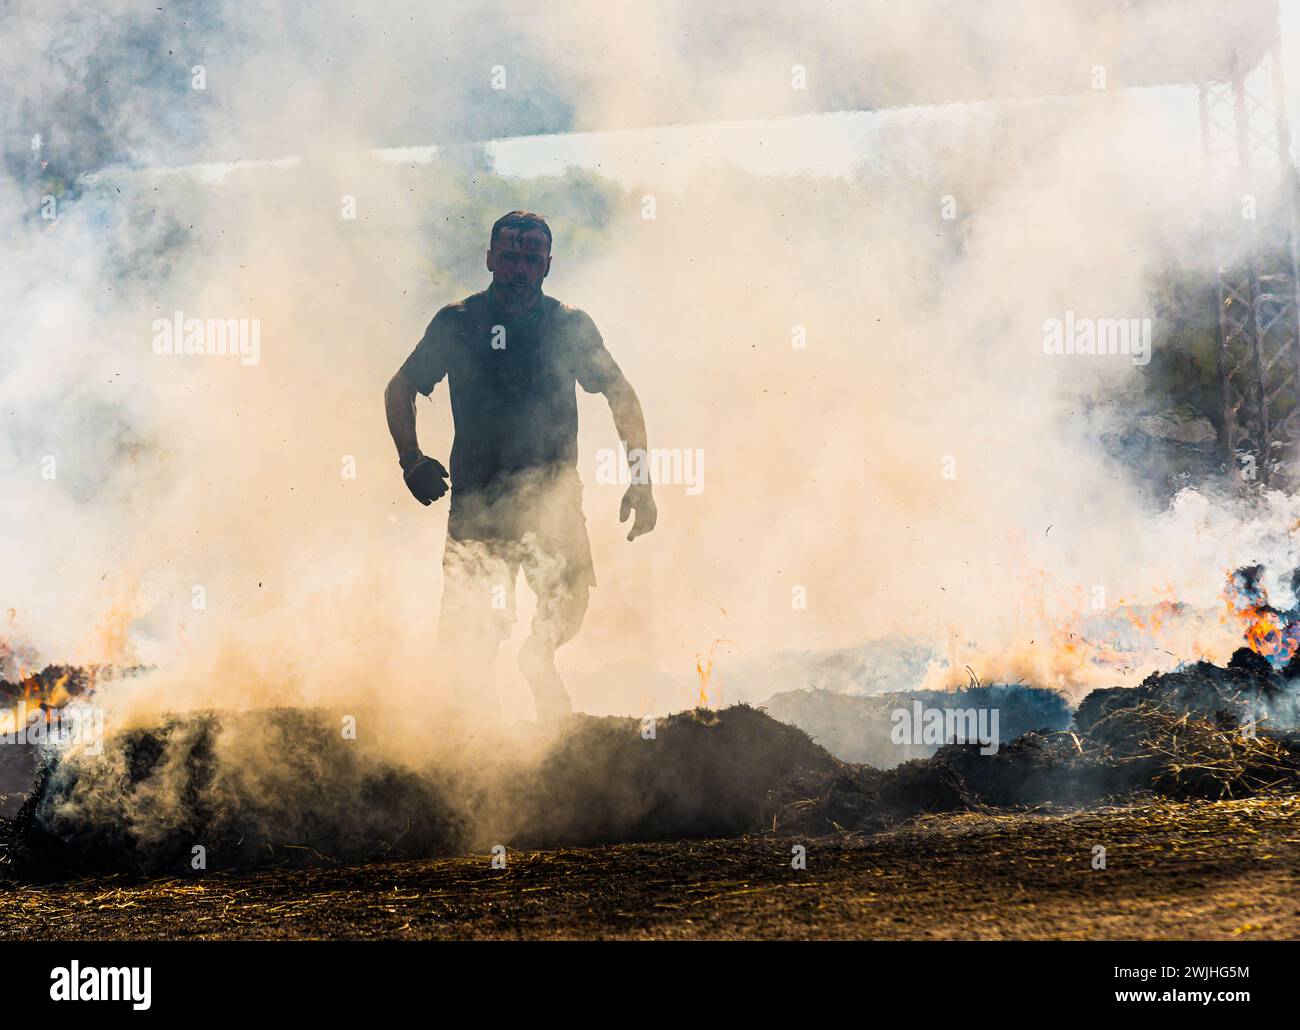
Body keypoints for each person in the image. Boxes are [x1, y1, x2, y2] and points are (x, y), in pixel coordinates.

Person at [384, 210, 656, 722]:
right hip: (478, 504)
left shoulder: (569, 326)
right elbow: (400, 387)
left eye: (531, 259)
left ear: (548, 266)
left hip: (554, 497)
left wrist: (641, 481)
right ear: (490, 259)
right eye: (509, 257)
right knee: (471, 631)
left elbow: (621, 394)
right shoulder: (459, 322)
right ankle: (481, 744)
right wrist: (411, 459)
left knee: (569, 602)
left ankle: (538, 656)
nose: (519, 269)